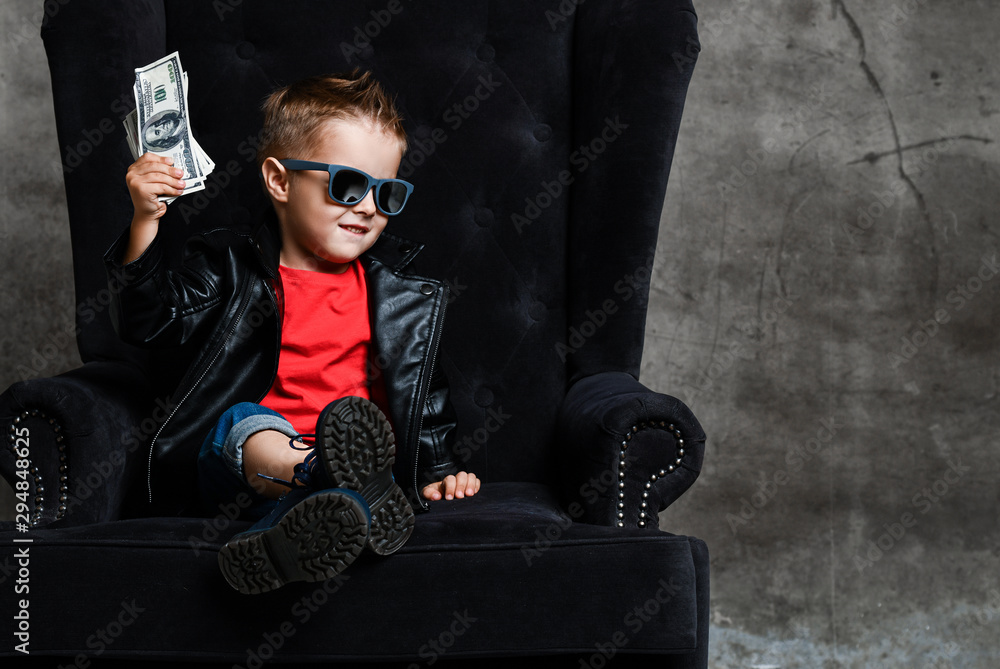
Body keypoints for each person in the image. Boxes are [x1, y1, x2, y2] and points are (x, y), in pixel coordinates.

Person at [106, 70, 479, 595]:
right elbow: (148, 321)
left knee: (336, 512)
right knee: (242, 419)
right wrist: (146, 220)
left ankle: (278, 542)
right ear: (281, 181)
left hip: (359, 476)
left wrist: (440, 469)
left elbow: (426, 390)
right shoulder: (230, 267)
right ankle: (319, 468)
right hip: (243, 464)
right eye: (348, 185)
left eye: (387, 194)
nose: (369, 207)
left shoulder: (396, 294)